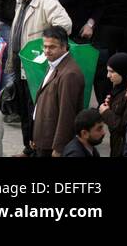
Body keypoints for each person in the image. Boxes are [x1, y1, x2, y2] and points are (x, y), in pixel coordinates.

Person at [7, 0, 72, 153]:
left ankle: (37, 149)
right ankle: (28, 147)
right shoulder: (21, 1)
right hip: (21, 66)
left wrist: (45, 46)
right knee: (25, 112)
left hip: (37, 69)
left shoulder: (47, 1)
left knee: (36, 111)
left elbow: (65, 24)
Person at [32, 25, 87, 157]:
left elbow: (67, 114)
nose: (47, 51)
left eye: (52, 47)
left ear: (64, 47)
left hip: (52, 144)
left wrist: (59, 148)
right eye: (44, 46)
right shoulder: (54, 63)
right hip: (44, 139)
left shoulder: (69, 74)